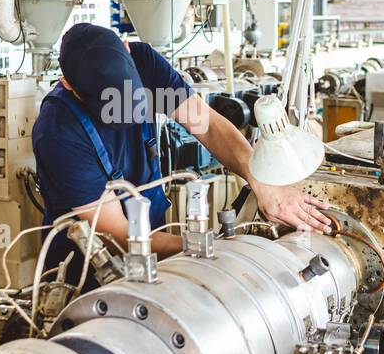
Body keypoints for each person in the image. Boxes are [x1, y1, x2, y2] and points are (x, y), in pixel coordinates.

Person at [32, 23, 331, 289]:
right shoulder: (58, 133)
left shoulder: (145, 63)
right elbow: (120, 237)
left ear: (127, 49)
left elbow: (210, 126)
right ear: (68, 84)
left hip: (156, 238)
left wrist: (263, 183)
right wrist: (211, 248)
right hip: (90, 272)